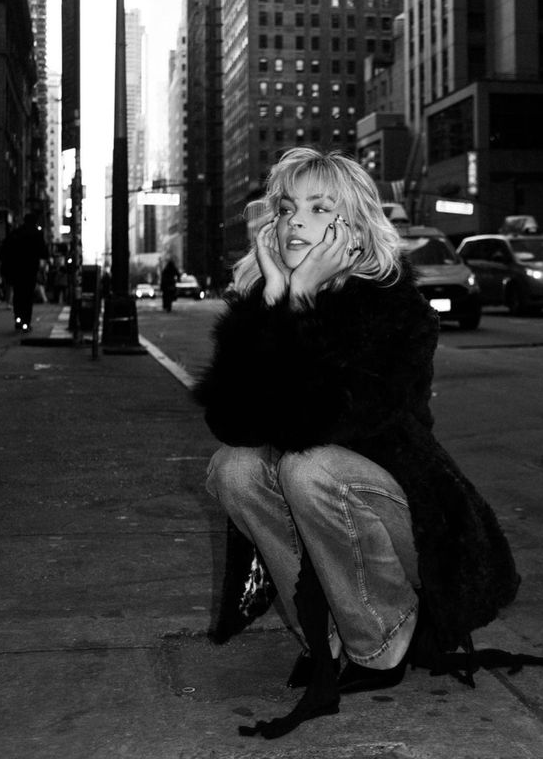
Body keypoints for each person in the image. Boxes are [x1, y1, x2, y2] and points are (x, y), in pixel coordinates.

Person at [195, 147, 520, 738]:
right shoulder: (264, 302)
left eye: (319, 208)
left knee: (308, 467)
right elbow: (232, 421)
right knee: (234, 468)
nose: (295, 222)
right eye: (287, 207)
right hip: (324, 490)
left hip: (407, 517)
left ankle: (383, 639)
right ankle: (325, 639)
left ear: (354, 226)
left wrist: (299, 304)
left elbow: (328, 423)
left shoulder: (399, 311)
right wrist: (273, 302)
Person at [0, 213, 49, 332]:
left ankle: (18, 319)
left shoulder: (16, 233)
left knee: (18, 295)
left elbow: (5, 250)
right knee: (27, 296)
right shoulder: (36, 235)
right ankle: (26, 321)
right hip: (30, 270)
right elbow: (44, 253)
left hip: (16, 270)